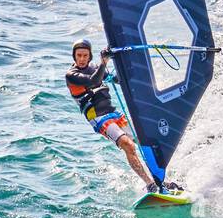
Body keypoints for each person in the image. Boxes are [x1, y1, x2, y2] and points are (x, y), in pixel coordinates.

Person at [65, 39, 181, 193]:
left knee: (146, 141)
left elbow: (117, 80)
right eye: (78, 55)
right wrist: (105, 61)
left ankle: (161, 180)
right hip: (98, 117)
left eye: (85, 55)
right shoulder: (72, 74)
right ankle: (149, 184)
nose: (81, 59)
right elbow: (94, 80)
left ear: (90, 56)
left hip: (113, 113)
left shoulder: (95, 67)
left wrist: (131, 68)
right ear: (74, 56)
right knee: (128, 145)